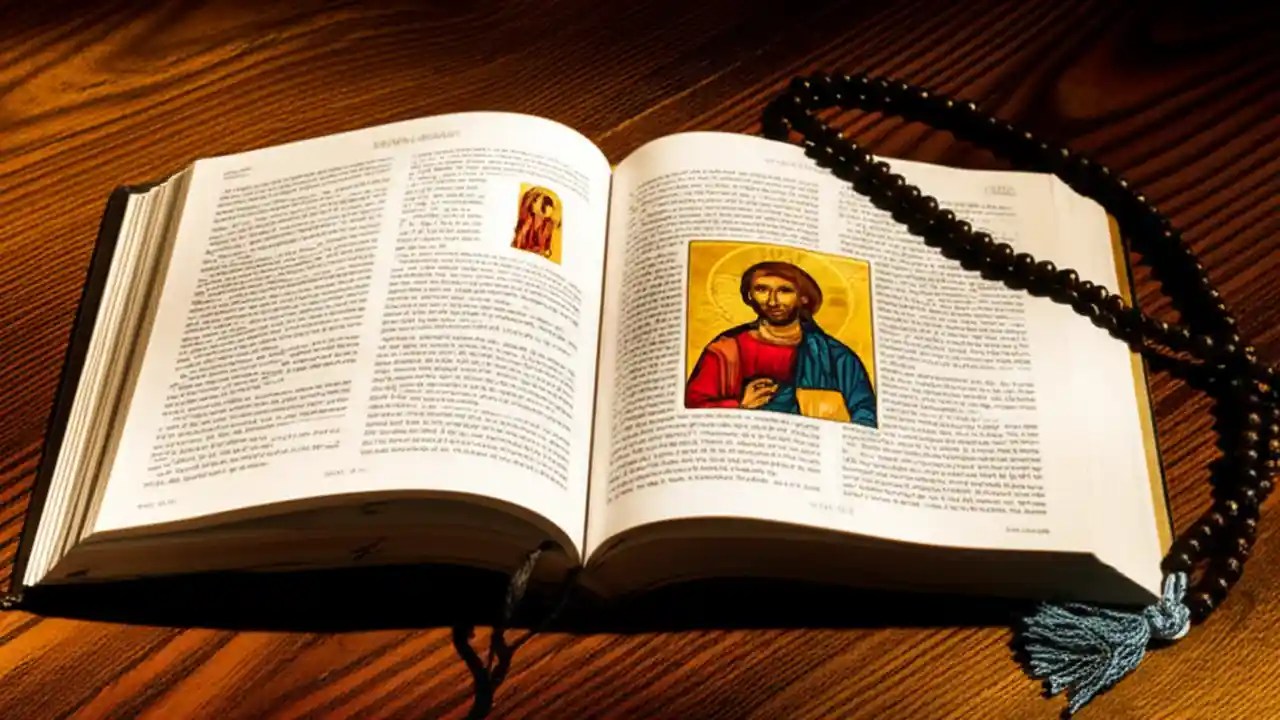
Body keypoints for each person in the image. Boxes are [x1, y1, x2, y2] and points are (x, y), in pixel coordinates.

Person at [685, 260, 877, 427]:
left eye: (784, 291)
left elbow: (865, 415)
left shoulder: (836, 356)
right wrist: (739, 404)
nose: (772, 301)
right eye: (762, 289)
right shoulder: (725, 349)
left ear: (804, 297)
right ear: (749, 295)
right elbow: (692, 407)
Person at [512, 187, 558, 258]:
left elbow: (546, 249)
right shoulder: (528, 220)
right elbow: (518, 243)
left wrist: (544, 252)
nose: (533, 203)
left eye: (536, 200)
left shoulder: (548, 225)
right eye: (534, 200)